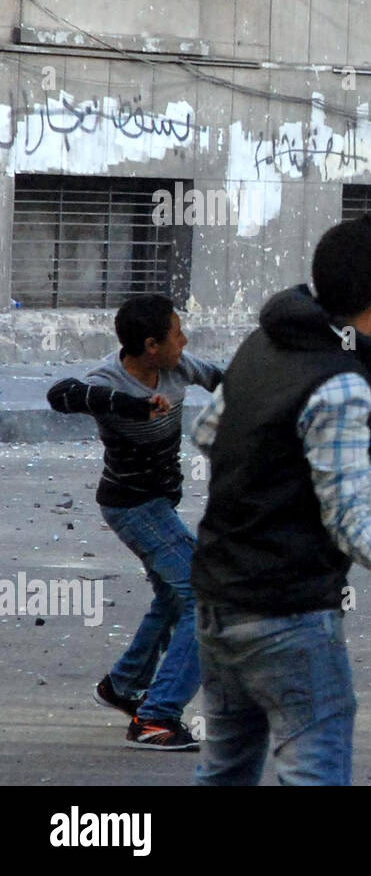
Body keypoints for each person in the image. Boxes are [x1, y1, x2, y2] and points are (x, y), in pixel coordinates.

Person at [190, 215, 371, 785]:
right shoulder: (341, 385)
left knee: (224, 770)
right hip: (288, 617)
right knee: (314, 773)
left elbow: (207, 433)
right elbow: (348, 524)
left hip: (216, 603)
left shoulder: (263, 344)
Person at [46, 295, 223, 751]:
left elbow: (226, 381)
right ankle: (156, 718)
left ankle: (124, 686)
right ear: (150, 345)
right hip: (131, 507)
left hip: (159, 504)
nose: (184, 340)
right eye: (177, 333)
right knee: (206, 597)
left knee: (173, 596)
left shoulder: (178, 366)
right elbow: (60, 394)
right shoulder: (107, 378)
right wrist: (130, 406)